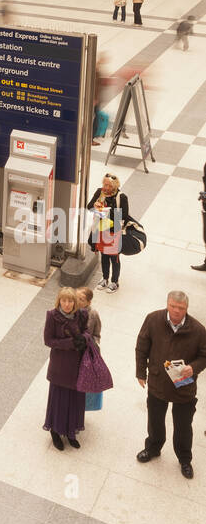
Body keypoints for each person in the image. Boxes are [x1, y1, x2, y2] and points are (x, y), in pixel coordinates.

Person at [136, 291, 206, 479]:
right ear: (167, 304)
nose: (176, 311)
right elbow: (142, 347)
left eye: (180, 308)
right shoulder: (153, 319)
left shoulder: (199, 330)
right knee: (155, 419)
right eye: (173, 306)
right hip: (158, 381)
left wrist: (194, 367)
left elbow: (204, 356)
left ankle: (184, 459)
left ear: (187, 309)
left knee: (184, 425)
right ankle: (153, 448)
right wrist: (141, 373)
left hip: (184, 387)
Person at [43, 287, 89, 451]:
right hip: (60, 366)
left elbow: (86, 331)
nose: (67, 304)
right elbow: (48, 340)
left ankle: (71, 432)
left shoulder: (82, 314)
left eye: (70, 301)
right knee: (59, 400)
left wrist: (84, 339)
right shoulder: (52, 316)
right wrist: (69, 344)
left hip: (77, 366)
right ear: (59, 301)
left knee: (75, 399)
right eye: (64, 300)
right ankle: (55, 431)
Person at [87, 172, 128, 292]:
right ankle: (105, 278)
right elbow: (89, 207)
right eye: (105, 185)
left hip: (114, 231)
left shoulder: (121, 197)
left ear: (115, 186)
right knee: (103, 255)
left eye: (109, 186)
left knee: (114, 258)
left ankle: (115, 282)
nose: (106, 188)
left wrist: (107, 213)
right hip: (101, 229)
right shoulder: (99, 192)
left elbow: (124, 216)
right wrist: (95, 206)